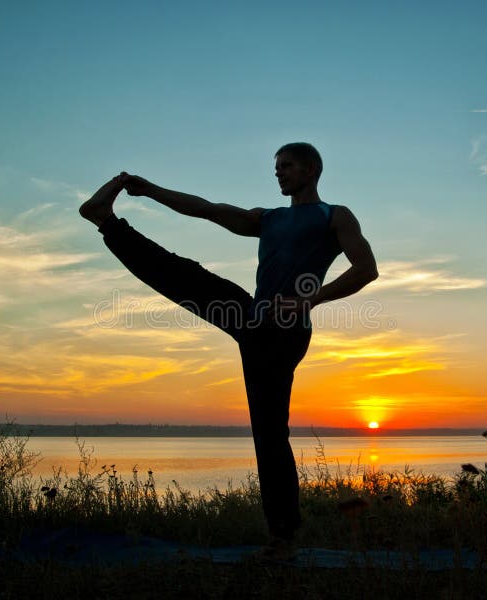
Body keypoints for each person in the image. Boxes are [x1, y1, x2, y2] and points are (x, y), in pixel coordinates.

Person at [79, 142, 378, 559]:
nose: (278, 173)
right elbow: (206, 208)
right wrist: (150, 189)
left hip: (286, 332)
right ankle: (108, 222)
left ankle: (283, 539)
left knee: (269, 432)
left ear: (311, 170)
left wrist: (309, 300)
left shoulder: (334, 215)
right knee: (187, 276)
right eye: (276, 168)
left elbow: (367, 269)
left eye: (286, 166)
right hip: (254, 318)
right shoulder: (267, 218)